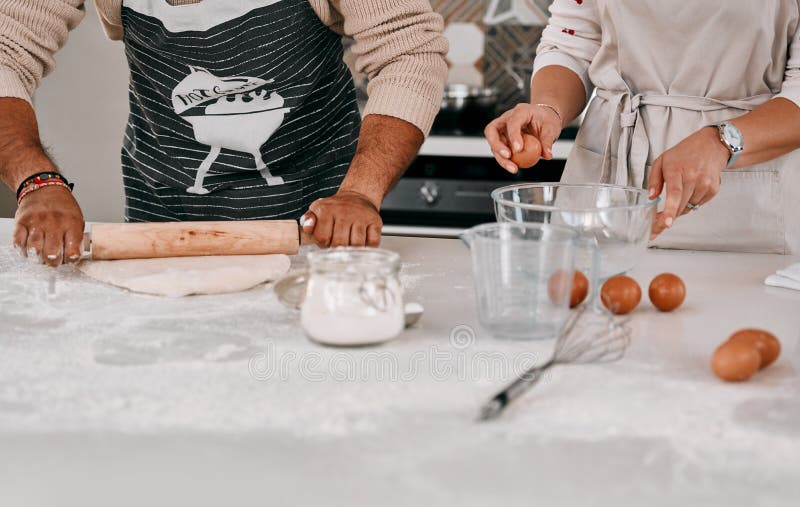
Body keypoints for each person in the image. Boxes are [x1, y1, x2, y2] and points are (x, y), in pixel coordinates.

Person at [0, 0, 448, 266]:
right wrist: (37, 181)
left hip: (317, 238)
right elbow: (6, 51)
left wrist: (359, 193)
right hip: (161, 233)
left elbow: (409, 51)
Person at [485, 0, 800, 254]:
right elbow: (572, 41)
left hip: (745, 214)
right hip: (602, 196)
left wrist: (723, 142)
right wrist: (548, 109)